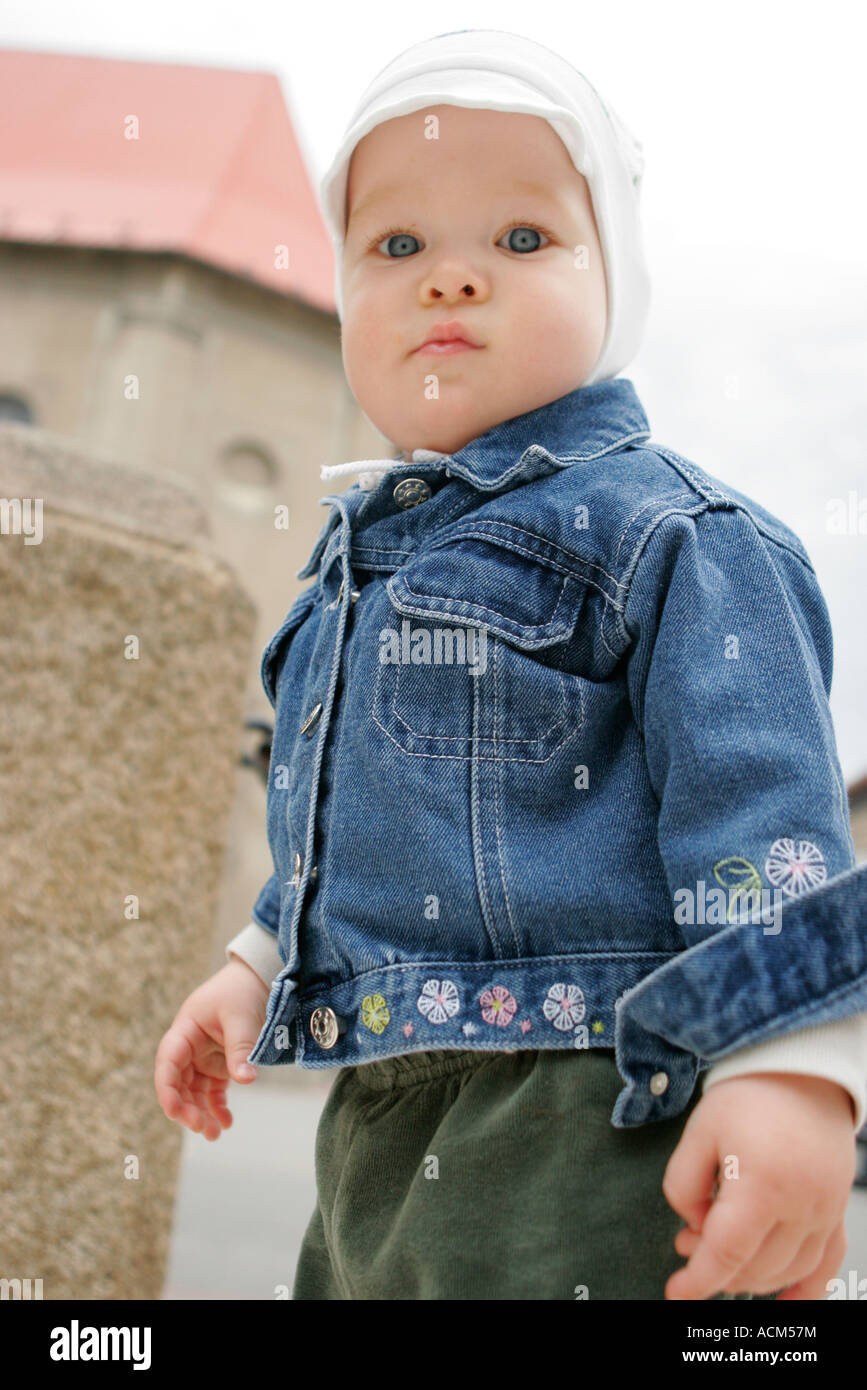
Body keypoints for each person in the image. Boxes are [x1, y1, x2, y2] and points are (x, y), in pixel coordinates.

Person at [155, 29, 867, 1300]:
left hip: (589, 1115)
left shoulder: (671, 534)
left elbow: (764, 825)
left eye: (522, 240)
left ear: (618, 282)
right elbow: (348, 818)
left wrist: (790, 1067)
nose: (451, 281)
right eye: (398, 247)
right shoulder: (351, 566)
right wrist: (253, 963)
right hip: (379, 1124)